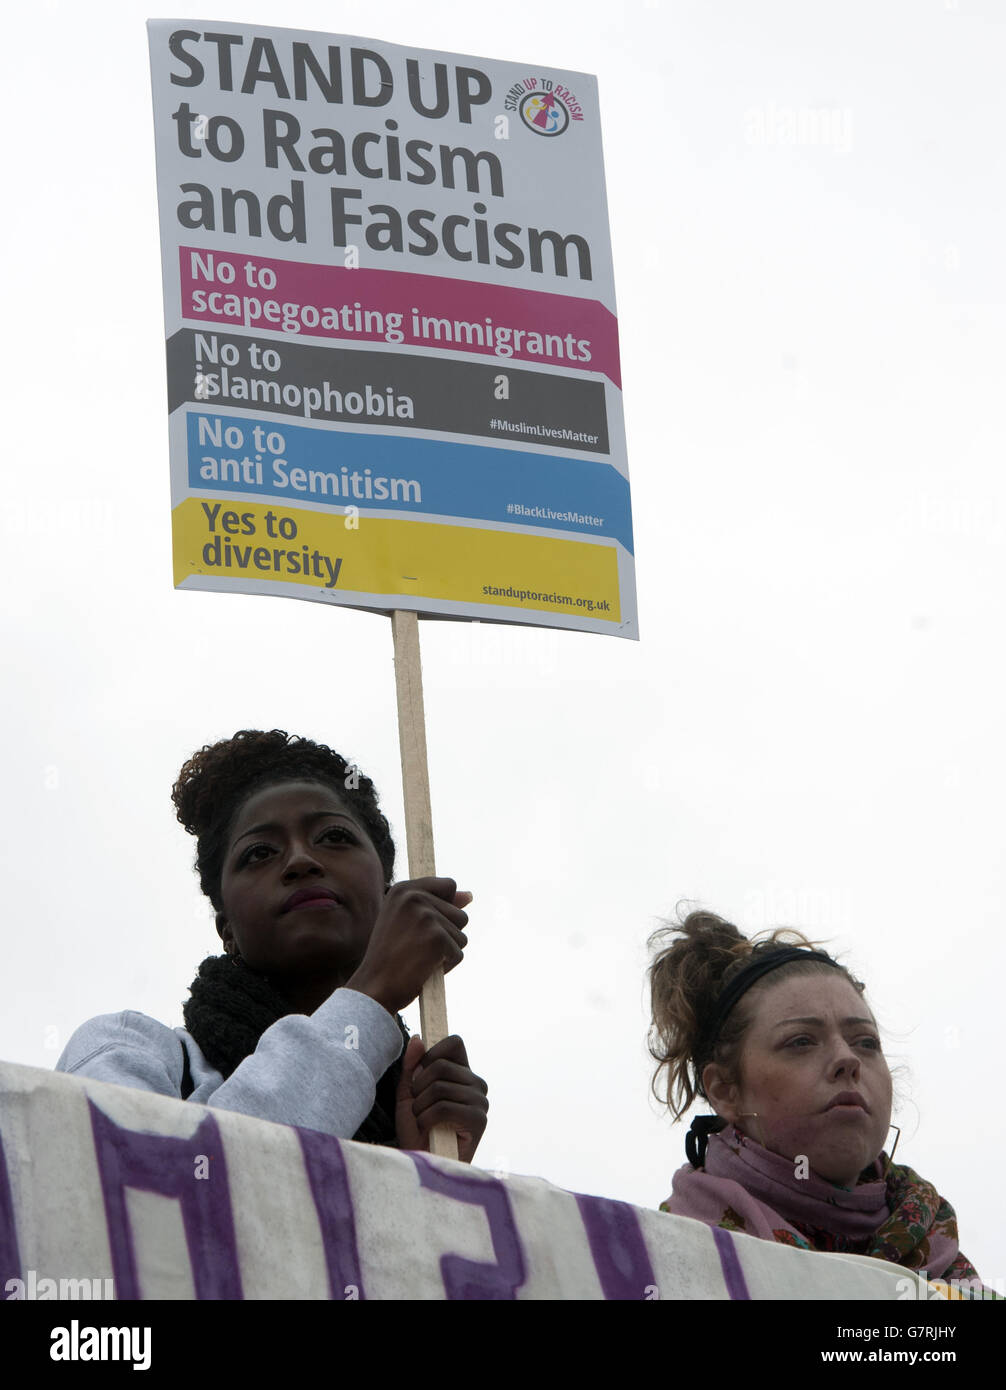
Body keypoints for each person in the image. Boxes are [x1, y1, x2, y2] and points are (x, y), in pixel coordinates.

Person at [57, 729, 489, 1160]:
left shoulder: (425, 1115)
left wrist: (426, 1175)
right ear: (227, 928)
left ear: (387, 895)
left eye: (334, 837)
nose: (301, 860)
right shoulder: (130, 1050)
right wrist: (372, 995)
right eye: (259, 853)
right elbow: (153, 1192)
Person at [648, 909, 984, 1289]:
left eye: (866, 1042)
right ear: (725, 1090)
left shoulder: (947, 1269)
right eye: (801, 1042)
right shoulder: (652, 1266)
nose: (848, 1059)